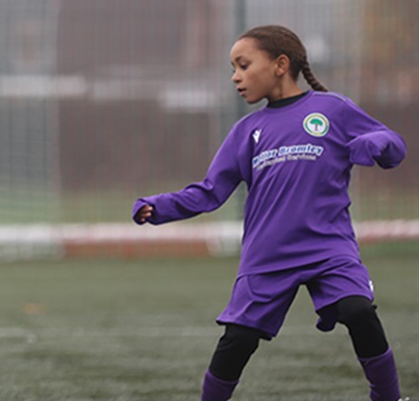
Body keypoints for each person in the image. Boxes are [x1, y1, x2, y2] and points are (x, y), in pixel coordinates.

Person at [132, 25, 406, 401]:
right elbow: (210, 192)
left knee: (359, 311)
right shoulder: (247, 131)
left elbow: (394, 145)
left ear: (280, 64)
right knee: (237, 341)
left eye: (243, 65)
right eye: (233, 68)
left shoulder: (332, 109)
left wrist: (375, 142)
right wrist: (158, 207)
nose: (235, 77)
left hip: (329, 248)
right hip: (268, 255)